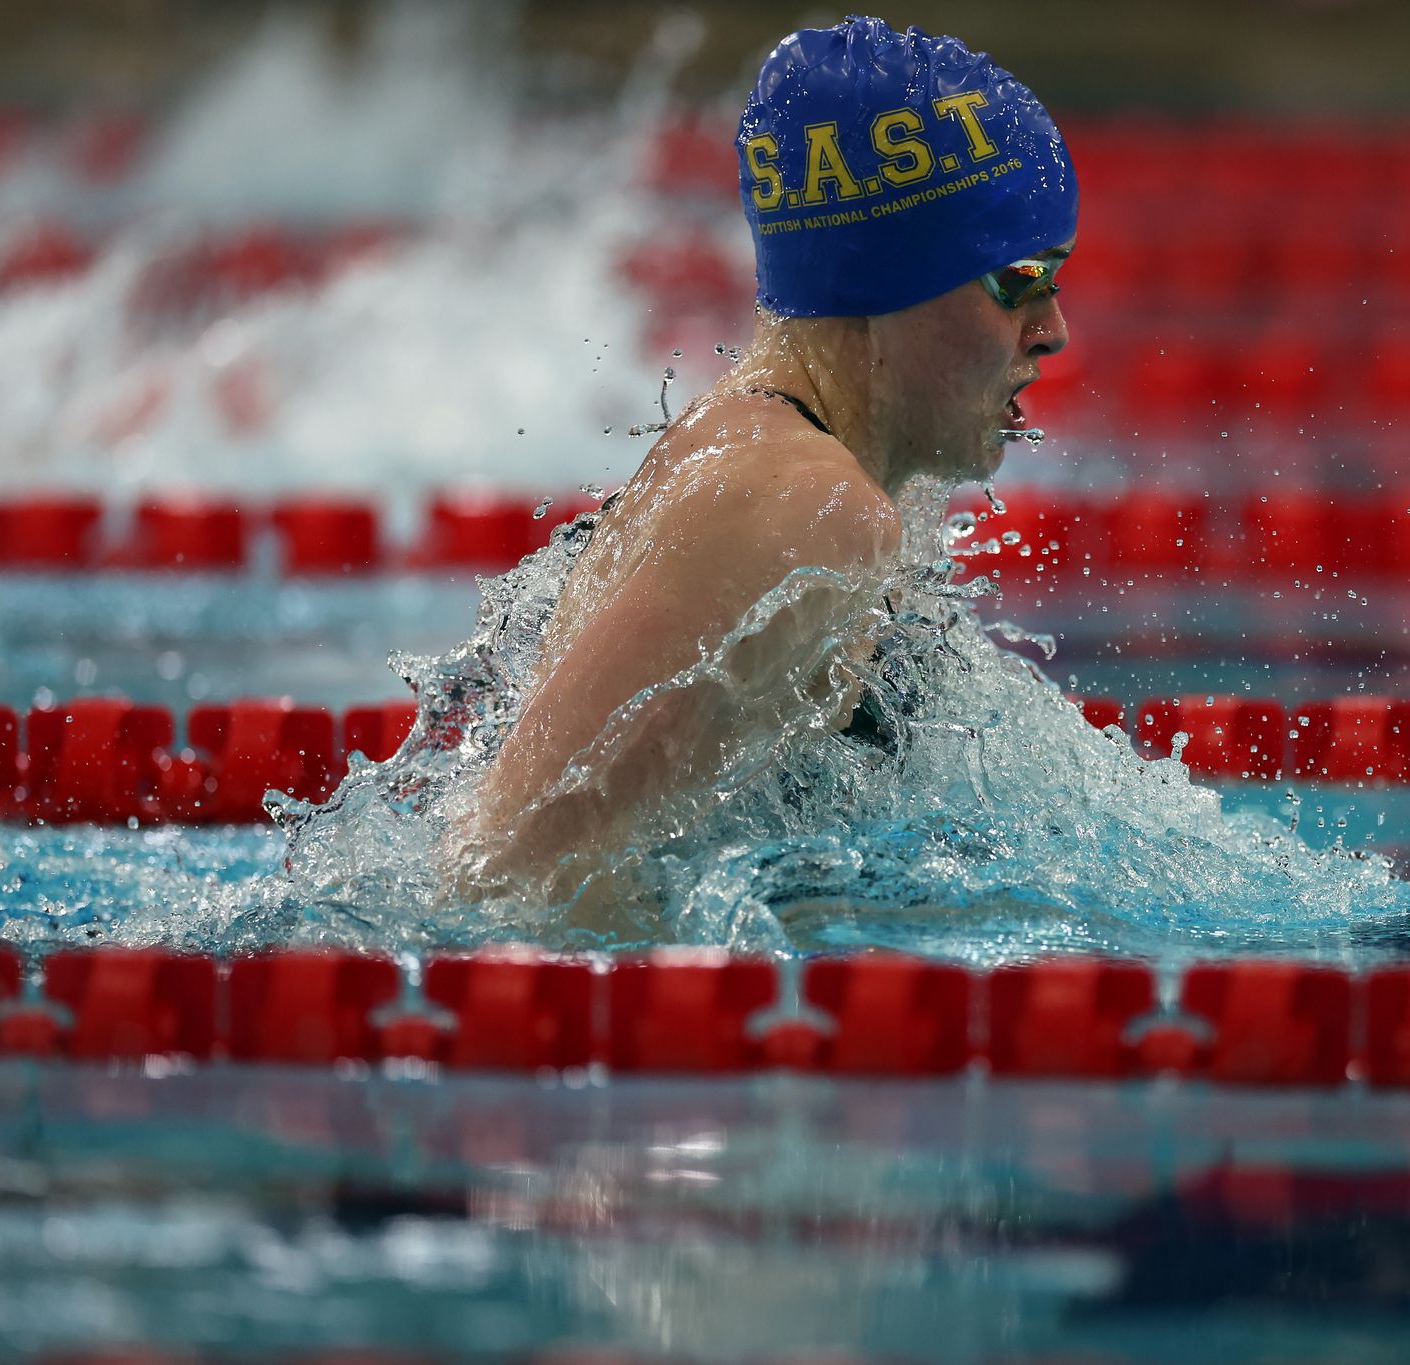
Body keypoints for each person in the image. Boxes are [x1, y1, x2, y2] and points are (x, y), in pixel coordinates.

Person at [461, 17, 1077, 918]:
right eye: (1019, 279)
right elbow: (512, 882)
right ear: (884, 273)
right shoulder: (804, 506)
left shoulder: (786, 465)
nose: (1053, 329)